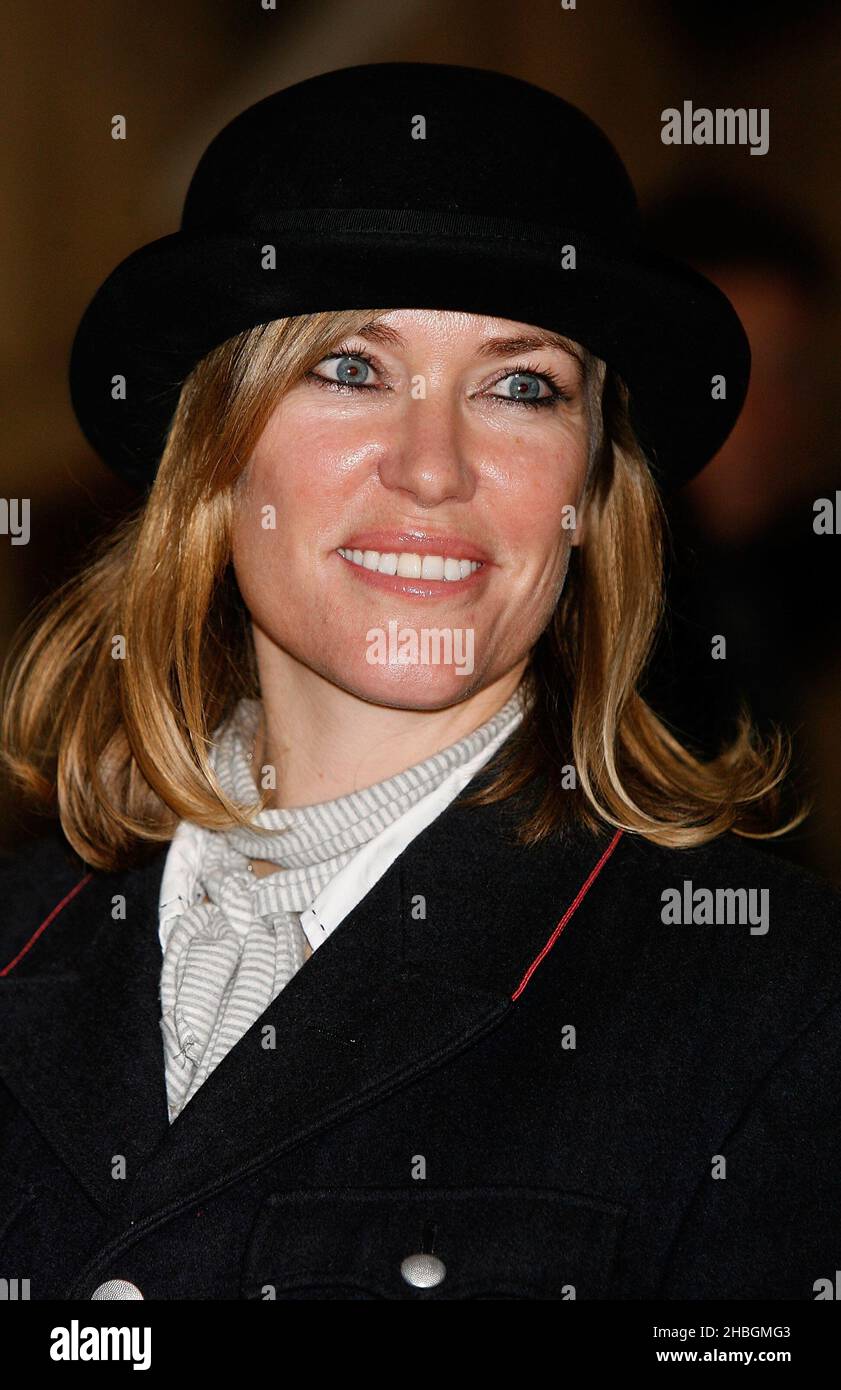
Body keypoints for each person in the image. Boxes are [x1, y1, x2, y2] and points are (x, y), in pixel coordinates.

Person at [0, 62, 839, 1303]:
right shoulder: (21, 941)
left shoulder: (770, 1006)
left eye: (520, 387)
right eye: (349, 368)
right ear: (214, 456)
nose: (433, 468)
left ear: (588, 496)